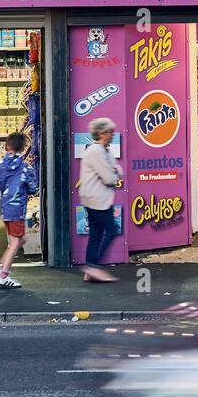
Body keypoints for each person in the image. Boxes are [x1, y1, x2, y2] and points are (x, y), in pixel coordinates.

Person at [79, 116, 123, 282]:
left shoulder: (103, 150)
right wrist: (114, 174)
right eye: (110, 131)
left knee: (96, 234)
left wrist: (114, 172)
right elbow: (110, 178)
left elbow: (117, 169)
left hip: (93, 197)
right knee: (111, 230)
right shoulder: (97, 151)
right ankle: (94, 267)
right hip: (98, 199)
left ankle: (90, 267)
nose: (112, 134)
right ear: (101, 133)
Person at [0, 131, 37, 289]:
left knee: (16, 240)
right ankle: (4, 275)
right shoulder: (26, 168)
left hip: (5, 209)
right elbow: (33, 188)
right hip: (17, 209)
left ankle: (0, 266)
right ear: (24, 147)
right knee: (17, 241)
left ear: (7, 146)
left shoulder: (2, 166)